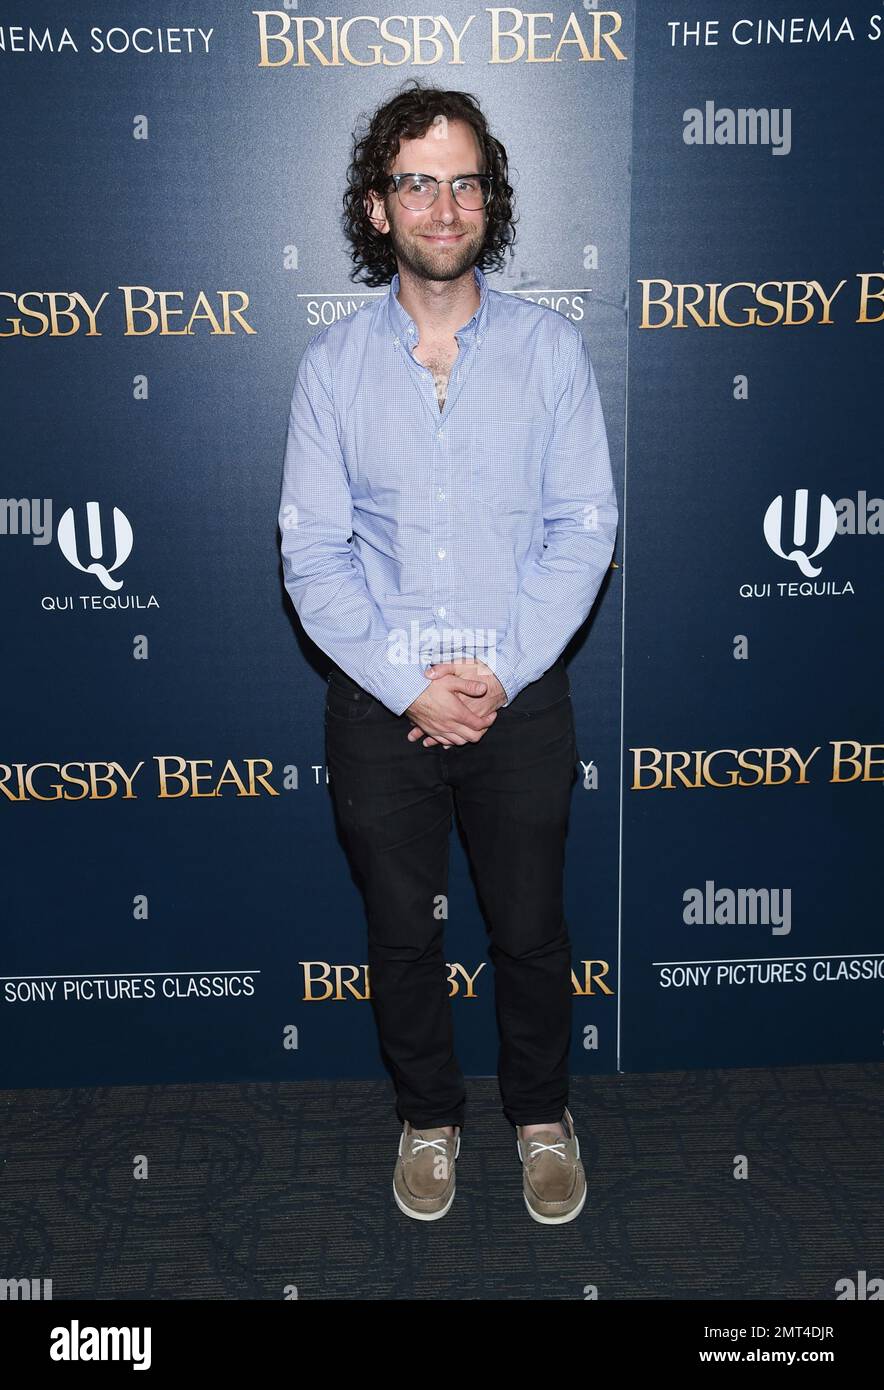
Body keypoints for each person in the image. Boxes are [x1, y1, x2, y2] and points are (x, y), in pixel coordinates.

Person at [277, 79, 618, 1223]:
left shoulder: (550, 355)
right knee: (399, 935)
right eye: (415, 181)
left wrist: (496, 677)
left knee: (529, 931)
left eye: (462, 180)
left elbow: (584, 530)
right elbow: (312, 555)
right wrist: (409, 685)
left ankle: (539, 1116)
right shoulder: (331, 369)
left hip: (517, 706)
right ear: (378, 207)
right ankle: (427, 1119)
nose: (441, 202)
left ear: (490, 201)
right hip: (381, 712)